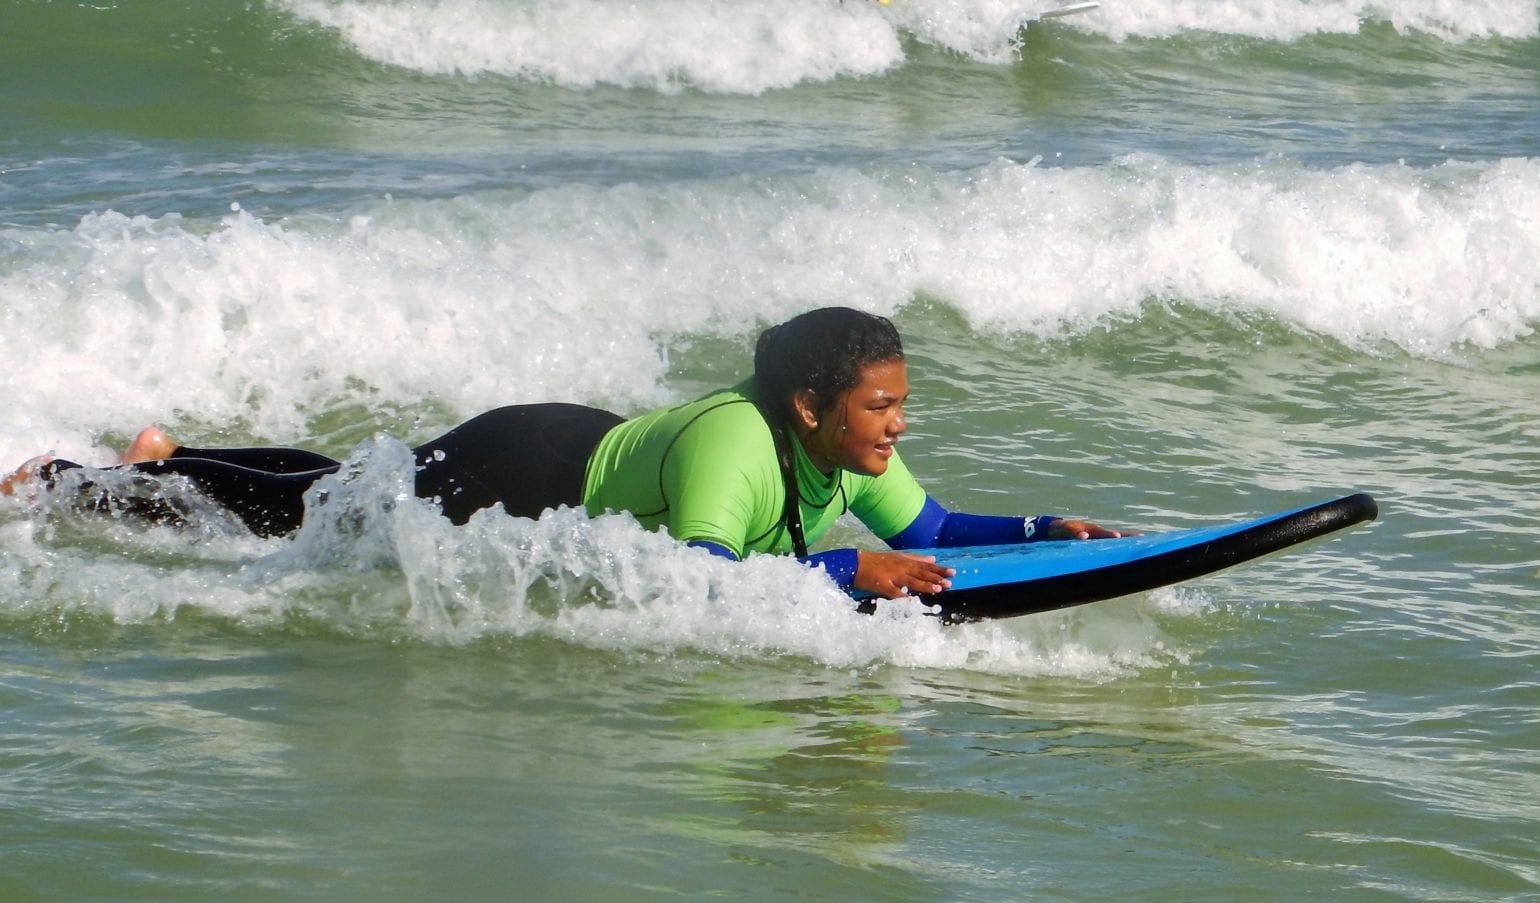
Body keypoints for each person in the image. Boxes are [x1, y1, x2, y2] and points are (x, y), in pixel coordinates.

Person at [3, 307, 1123, 598]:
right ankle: (75, 482)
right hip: (521, 464)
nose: (897, 424)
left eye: (899, 407)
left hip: (577, 444)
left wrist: (1041, 530)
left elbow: (933, 531)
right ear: (809, 407)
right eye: (881, 407)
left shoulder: (851, 448)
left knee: (343, 480)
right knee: (321, 511)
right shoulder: (736, 447)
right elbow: (701, 577)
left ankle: (170, 447)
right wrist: (847, 568)